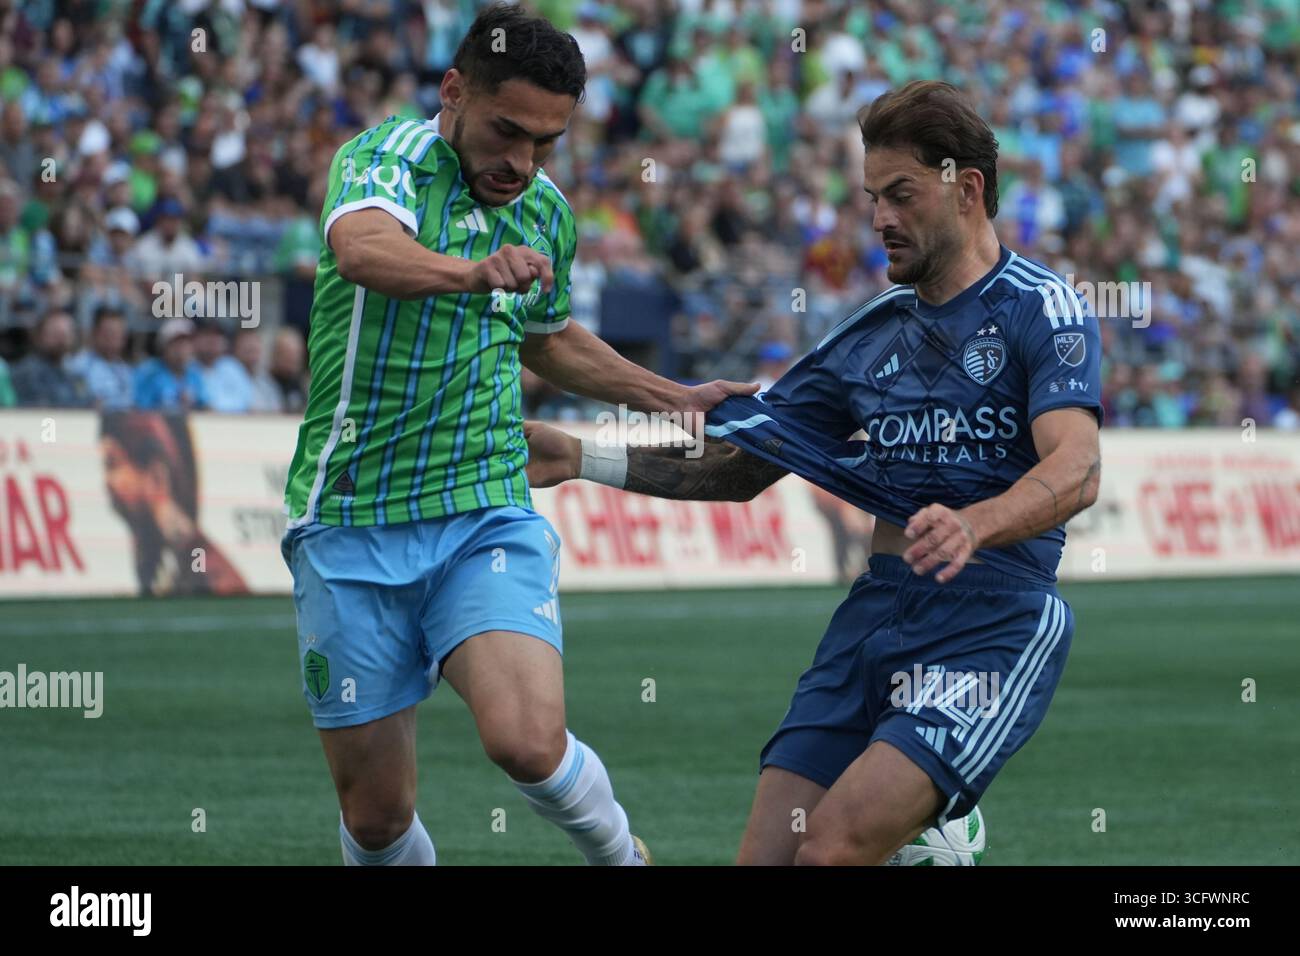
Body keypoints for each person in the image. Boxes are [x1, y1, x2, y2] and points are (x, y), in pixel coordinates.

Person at [526, 81, 1103, 865]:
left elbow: (1078, 467)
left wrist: (976, 523)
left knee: (830, 851)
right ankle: (934, 835)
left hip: (992, 623)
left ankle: (931, 828)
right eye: (871, 197)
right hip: (876, 615)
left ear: (966, 190)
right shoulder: (870, 333)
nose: (878, 221)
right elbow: (742, 466)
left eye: (899, 195)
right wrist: (582, 456)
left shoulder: (1044, 308)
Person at [280, 4, 756, 868]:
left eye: (546, 141)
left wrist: (670, 396)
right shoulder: (382, 160)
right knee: (379, 817)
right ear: (454, 91)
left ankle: (625, 859)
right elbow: (362, 251)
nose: (522, 162)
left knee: (527, 741)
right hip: (348, 519)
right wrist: (472, 272)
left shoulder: (545, 212)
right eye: (506, 132)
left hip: (482, 510)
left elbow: (545, 336)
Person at [11, 309, 92, 408]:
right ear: (39, 336)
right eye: (55, 334)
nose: (61, 340)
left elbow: (86, 405)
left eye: (66, 334)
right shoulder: (25, 372)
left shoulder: (76, 375)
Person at [133, 317, 207, 411]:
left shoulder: (195, 374)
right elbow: (141, 410)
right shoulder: (149, 372)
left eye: (186, 343)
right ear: (163, 347)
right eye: (176, 344)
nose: (181, 349)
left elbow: (206, 406)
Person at [68, 306, 134, 409]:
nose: (113, 338)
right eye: (108, 333)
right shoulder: (80, 366)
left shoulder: (126, 370)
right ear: (94, 333)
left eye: (118, 333)